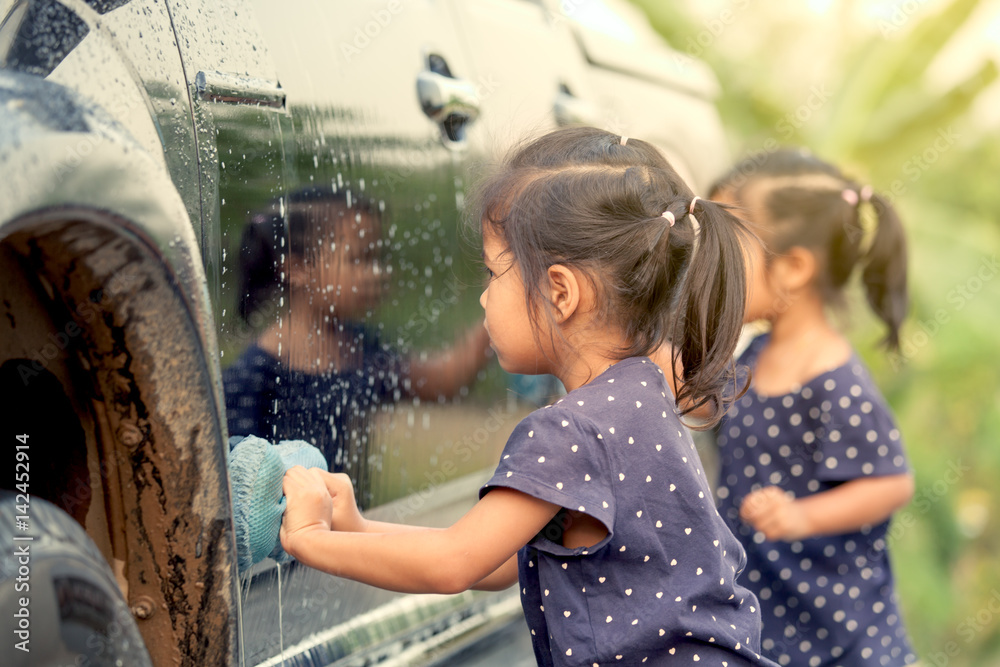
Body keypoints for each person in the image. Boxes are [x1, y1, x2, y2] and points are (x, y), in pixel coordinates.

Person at [279, 127, 780, 666]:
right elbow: (496, 561)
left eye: (495, 273)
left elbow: (455, 562)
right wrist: (356, 528)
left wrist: (310, 539)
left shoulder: (570, 430)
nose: (483, 296)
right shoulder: (639, 395)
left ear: (560, 292)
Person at [709, 149, 917, 666]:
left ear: (794, 268)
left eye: (725, 251)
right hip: (775, 617)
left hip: (845, 635)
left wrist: (802, 516)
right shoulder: (753, 356)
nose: (709, 267)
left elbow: (891, 483)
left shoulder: (836, 382)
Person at [223, 187, 491, 493]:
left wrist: (499, 302)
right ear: (297, 268)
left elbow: (444, 380)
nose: (379, 273)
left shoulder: (358, 348)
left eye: (379, 257)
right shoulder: (251, 381)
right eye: (361, 259)